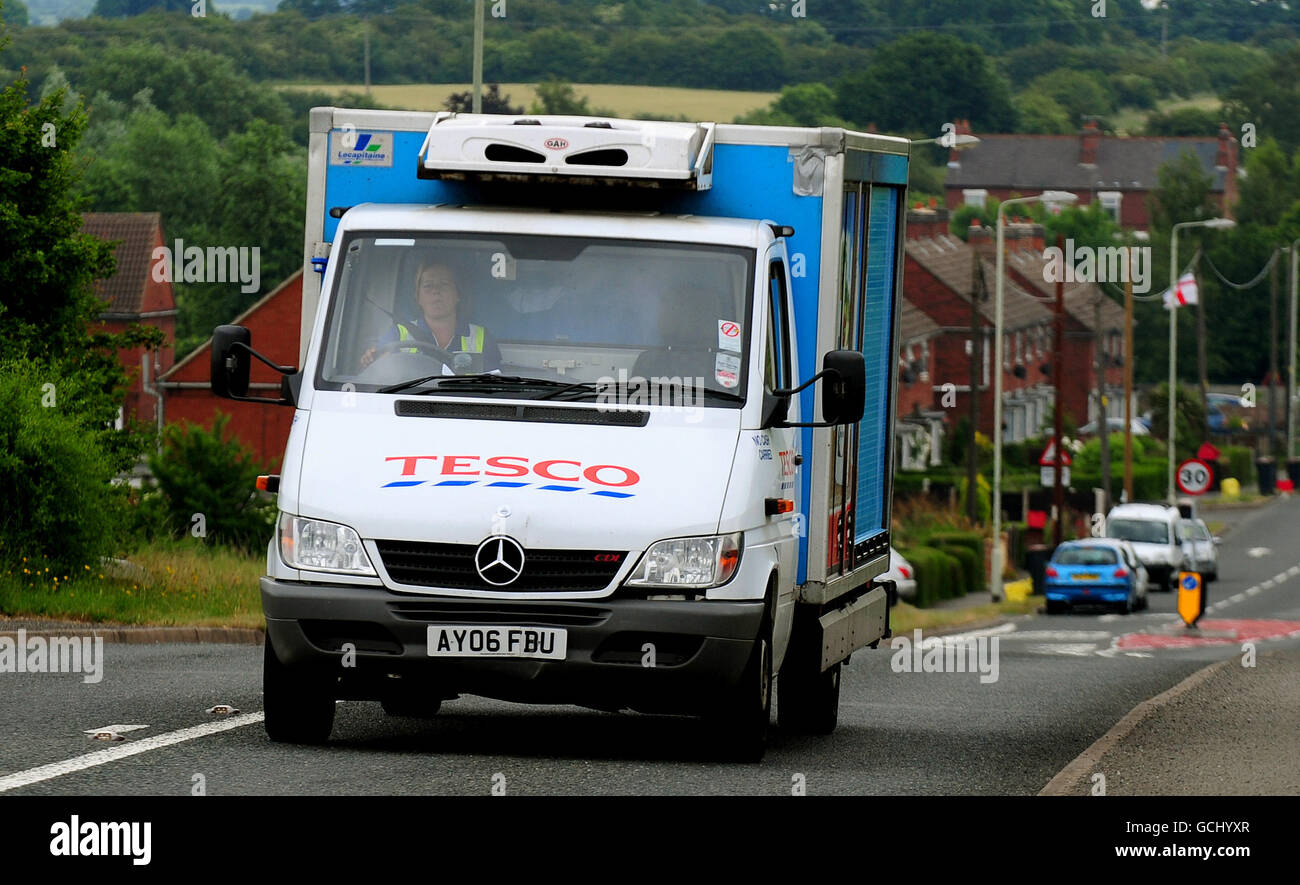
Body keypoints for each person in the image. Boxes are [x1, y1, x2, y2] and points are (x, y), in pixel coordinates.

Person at [359, 260, 502, 372]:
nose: (436, 291)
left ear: (458, 294)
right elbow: (382, 374)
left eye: (444, 284)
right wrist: (371, 360)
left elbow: (493, 385)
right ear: (418, 297)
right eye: (428, 286)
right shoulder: (398, 334)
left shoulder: (482, 337)